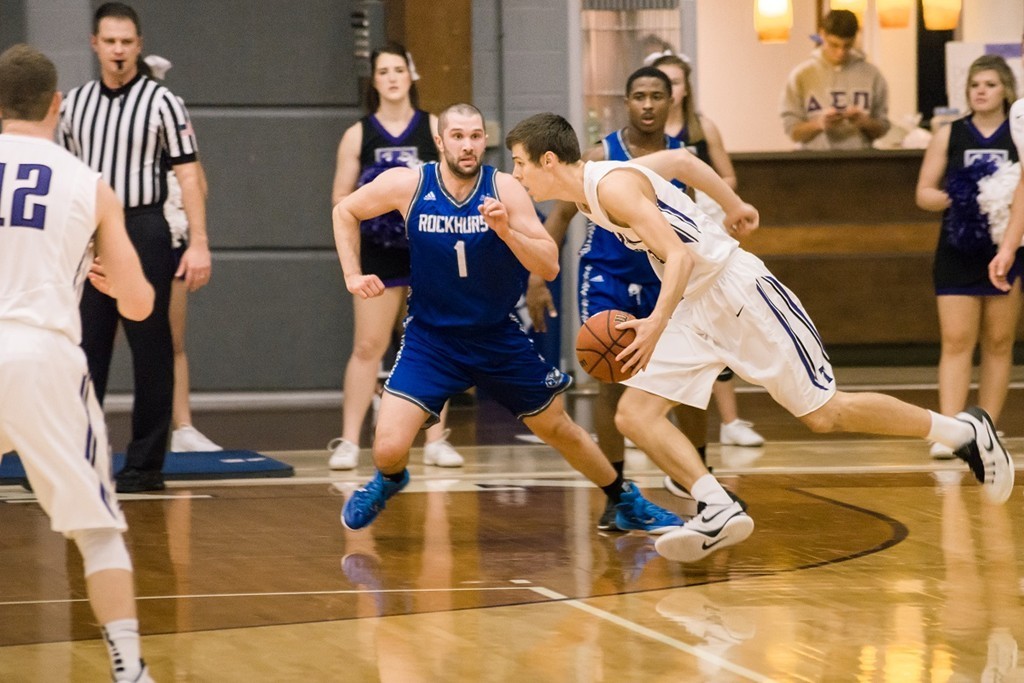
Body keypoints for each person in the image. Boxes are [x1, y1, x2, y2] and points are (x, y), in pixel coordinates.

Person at [504, 112, 1015, 563]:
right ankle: (717, 506)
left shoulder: (610, 187)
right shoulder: (595, 187)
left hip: (738, 291)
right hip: (697, 305)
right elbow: (681, 161)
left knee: (824, 413)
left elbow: (679, 256)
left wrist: (656, 322)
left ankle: (963, 433)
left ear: (549, 160)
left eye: (520, 163)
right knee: (634, 414)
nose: (516, 174)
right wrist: (732, 202)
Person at [333, 103, 682, 535]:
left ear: (485, 140)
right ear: (439, 142)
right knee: (387, 448)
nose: (468, 145)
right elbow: (344, 210)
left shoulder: (506, 190)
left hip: (495, 337)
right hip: (431, 340)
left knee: (559, 428)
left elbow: (549, 265)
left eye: (476, 136)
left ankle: (622, 499)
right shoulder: (408, 184)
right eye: (457, 136)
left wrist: (506, 232)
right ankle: (390, 479)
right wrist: (352, 273)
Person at [0, 43, 155, 682]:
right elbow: (141, 305)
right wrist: (120, 288)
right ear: (58, 106)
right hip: (41, 356)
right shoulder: (88, 183)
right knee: (97, 531)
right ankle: (129, 673)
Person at [525, 66, 719, 530]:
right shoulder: (599, 154)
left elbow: (688, 227)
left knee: (690, 382)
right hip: (606, 275)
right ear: (626, 102)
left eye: (657, 96)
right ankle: (620, 494)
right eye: (639, 96)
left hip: (662, 277)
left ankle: (700, 476)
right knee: (609, 375)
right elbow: (558, 220)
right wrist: (537, 278)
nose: (648, 104)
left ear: (672, 102)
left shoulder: (679, 159)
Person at [59, 2, 212, 492]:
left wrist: (199, 242)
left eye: (127, 42)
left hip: (144, 227)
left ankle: (145, 466)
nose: (119, 51)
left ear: (139, 45)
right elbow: (62, 175)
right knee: (86, 350)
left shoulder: (164, 102)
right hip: (89, 231)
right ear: (95, 44)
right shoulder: (75, 105)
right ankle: (81, 460)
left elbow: (189, 175)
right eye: (110, 41)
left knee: (152, 349)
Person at [328, 43, 463, 470]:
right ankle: (349, 440)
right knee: (368, 345)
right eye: (382, 71)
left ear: (411, 75)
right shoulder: (358, 134)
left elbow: (455, 183)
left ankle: (437, 438)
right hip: (378, 254)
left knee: (435, 342)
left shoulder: (434, 126)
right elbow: (340, 198)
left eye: (398, 69)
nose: (391, 77)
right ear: (374, 80)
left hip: (429, 251)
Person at [653, 53, 765, 449]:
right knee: (674, 328)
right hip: (661, 237)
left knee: (715, 324)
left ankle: (731, 421)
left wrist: (705, 191)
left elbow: (728, 175)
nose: (669, 88)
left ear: (685, 87)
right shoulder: (645, 131)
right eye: (662, 80)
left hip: (703, 229)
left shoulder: (702, 128)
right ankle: (651, 418)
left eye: (676, 81)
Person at [917, 55, 1021, 460]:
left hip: (1006, 247)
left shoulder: (1019, 132)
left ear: (1006, 90)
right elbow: (923, 192)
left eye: (990, 84)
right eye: (975, 83)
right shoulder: (950, 133)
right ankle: (950, 429)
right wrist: (960, 199)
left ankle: (986, 427)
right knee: (957, 339)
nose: (981, 90)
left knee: (998, 340)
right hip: (958, 247)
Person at [138, 54, 221, 453]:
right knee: (94, 341)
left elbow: (198, 186)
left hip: (165, 242)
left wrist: (194, 239)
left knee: (171, 338)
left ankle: (183, 426)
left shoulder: (176, 140)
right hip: (116, 244)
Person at [780, 9, 890, 151]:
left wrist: (864, 122)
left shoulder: (872, 75)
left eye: (847, 46)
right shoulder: (801, 75)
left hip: (859, 162)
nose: (840, 52)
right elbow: (792, 132)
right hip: (813, 162)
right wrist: (819, 124)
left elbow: (883, 129)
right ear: (822, 35)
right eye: (834, 45)